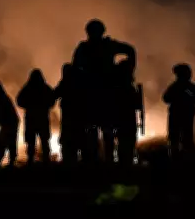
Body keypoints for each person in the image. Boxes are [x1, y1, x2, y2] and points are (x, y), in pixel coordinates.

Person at [71, 19, 136, 163]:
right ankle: (101, 159)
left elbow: (130, 51)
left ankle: (103, 159)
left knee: (102, 128)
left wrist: (127, 69)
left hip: (102, 92)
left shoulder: (97, 46)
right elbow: (130, 50)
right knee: (97, 129)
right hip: (97, 92)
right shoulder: (90, 47)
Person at [17, 69, 56, 164]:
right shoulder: (45, 88)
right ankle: (46, 160)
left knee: (32, 141)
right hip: (42, 118)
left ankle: (31, 160)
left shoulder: (28, 88)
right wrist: (44, 106)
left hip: (31, 118)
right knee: (44, 140)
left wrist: (29, 106)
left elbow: (19, 100)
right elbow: (52, 101)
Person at [163, 63, 195, 159]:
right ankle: (186, 159)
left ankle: (176, 158)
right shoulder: (189, 87)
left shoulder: (175, 86)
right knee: (185, 138)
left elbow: (166, 98)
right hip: (185, 115)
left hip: (177, 115)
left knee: (176, 138)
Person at [113, 59, 143, 166]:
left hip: (124, 120)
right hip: (125, 120)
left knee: (125, 145)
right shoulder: (124, 87)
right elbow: (136, 105)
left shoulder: (119, 86)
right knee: (126, 145)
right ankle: (125, 166)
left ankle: (124, 166)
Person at [55, 63, 86, 165]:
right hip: (80, 119)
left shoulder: (65, 83)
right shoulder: (81, 83)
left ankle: (69, 167)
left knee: (69, 144)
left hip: (69, 119)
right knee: (80, 141)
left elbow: (53, 95)